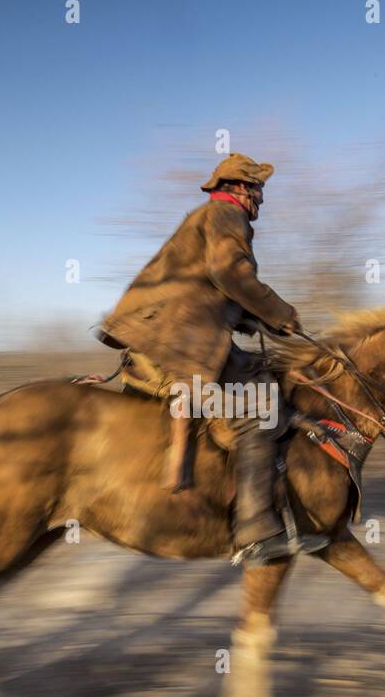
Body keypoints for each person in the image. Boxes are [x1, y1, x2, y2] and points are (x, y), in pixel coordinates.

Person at [97, 153, 328, 564]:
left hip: (173, 328)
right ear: (241, 187)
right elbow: (229, 273)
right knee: (261, 409)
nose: (261, 198)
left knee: (261, 375)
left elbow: (211, 290)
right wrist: (279, 312)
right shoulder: (226, 215)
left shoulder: (208, 216)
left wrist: (259, 322)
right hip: (179, 338)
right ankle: (256, 529)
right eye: (258, 189)